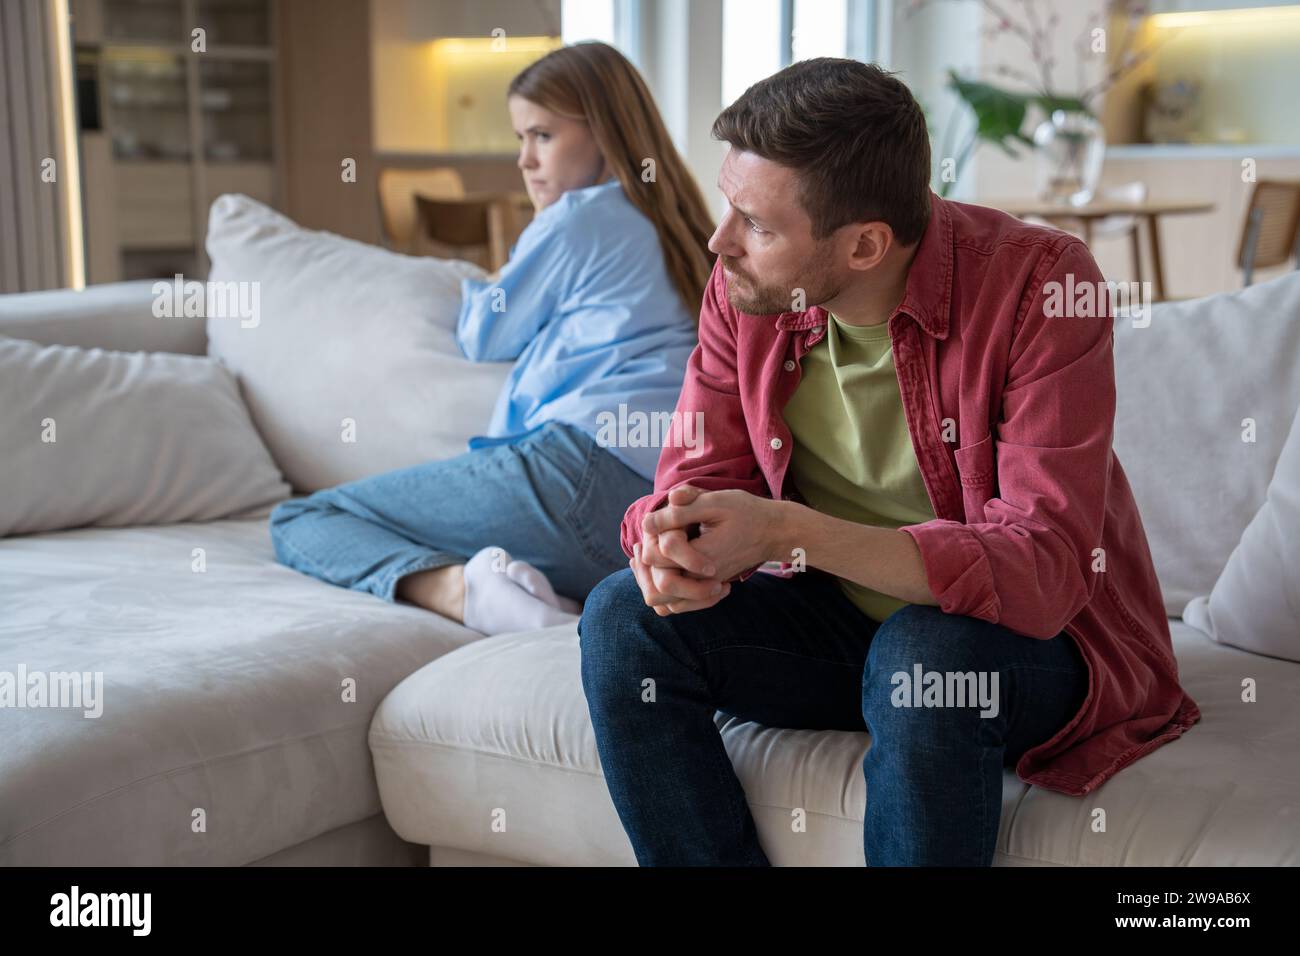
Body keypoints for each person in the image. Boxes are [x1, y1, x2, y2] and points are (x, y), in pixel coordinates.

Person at [578, 58, 1200, 866]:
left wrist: (787, 531)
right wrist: (669, 541)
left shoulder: (1041, 286)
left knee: (922, 655)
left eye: (756, 224)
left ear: (867, 244)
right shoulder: (746, 290)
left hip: (1026, 647)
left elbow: (1046, 569)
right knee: (623, 616)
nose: (718, 241)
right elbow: (692, 483)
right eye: (730, 207)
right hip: (841, 630)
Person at [269, 42, 715, 635]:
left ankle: (459, 592)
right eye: (520, 140)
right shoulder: (684, 228)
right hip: (660, 516)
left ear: (606, 133)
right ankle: (536, 600)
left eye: (543, 137)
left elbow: (483, 333)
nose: (525, 160)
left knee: (305, 516)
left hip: (574, 470)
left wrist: (515, 254)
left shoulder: (578, 216)